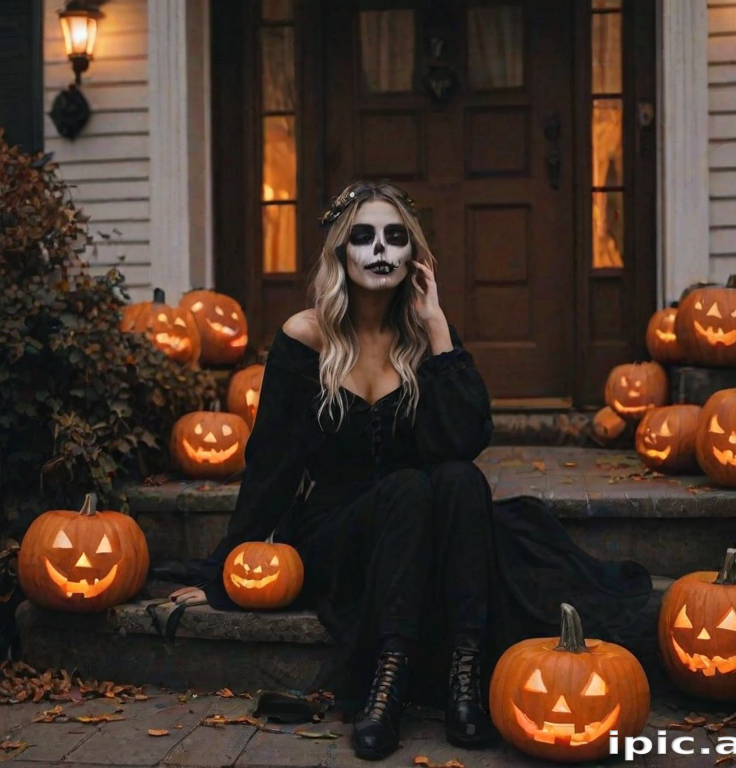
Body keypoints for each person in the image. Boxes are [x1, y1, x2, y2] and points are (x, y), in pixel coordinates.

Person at [161, 181, 653, 762]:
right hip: (341, 531)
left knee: (458, 481)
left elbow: (466, 440)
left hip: (425, 520)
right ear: (341, 254)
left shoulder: (427, 335)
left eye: (395, 238)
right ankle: (386, 684)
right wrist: (228, 568)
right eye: (363, 237)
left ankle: (465, 681)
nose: (379, 250)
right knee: (408, 486)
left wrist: (439, 327)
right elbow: (271, 465)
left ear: (414, 257)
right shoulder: (305, 337)